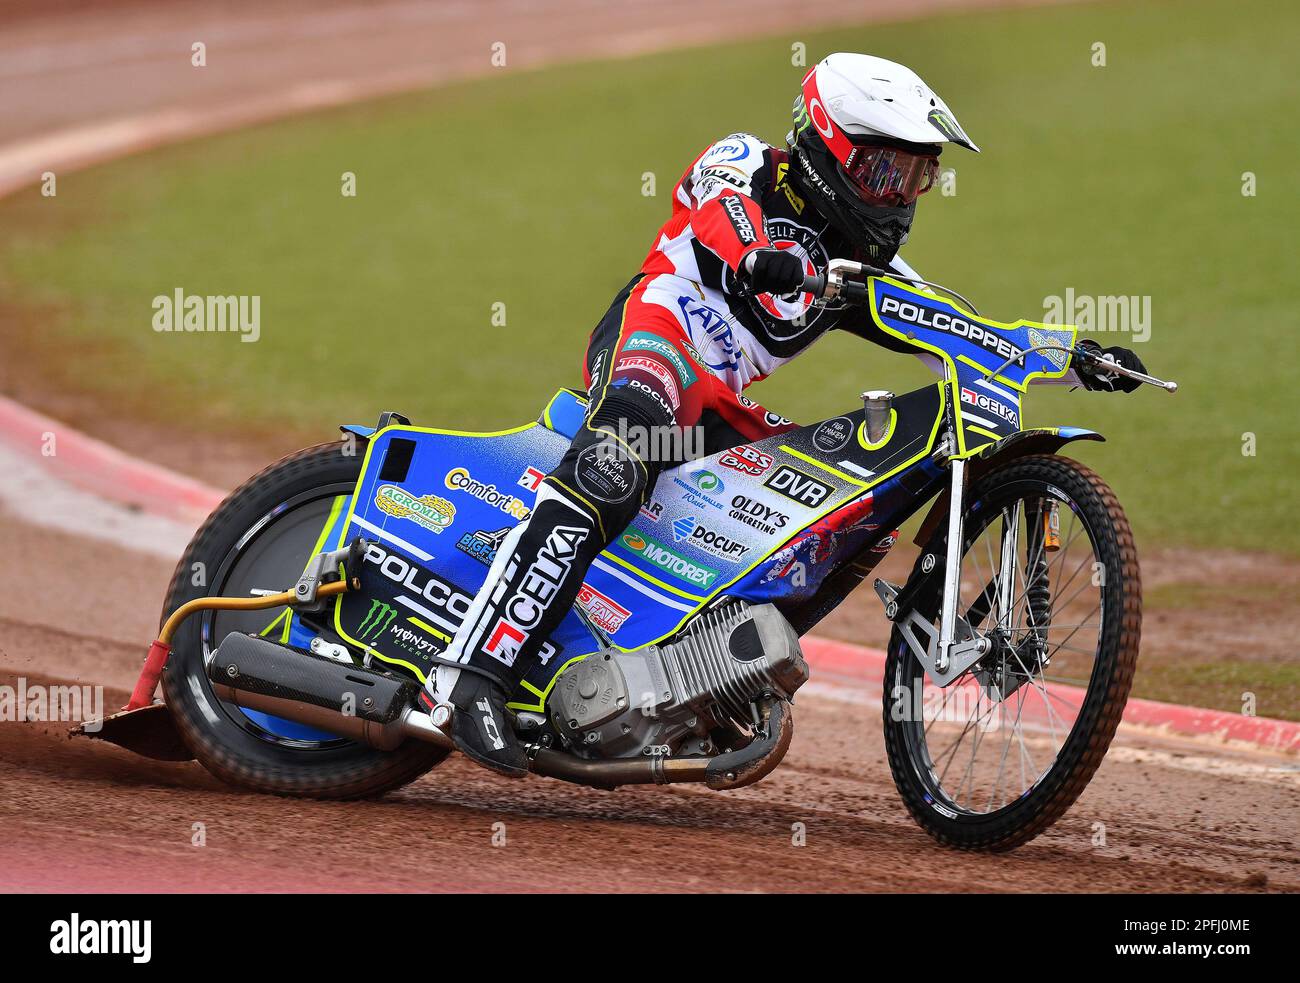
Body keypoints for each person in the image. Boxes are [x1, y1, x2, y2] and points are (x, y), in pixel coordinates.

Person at [418, 52, 1145, 776]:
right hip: (656, 339)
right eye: (887, 172)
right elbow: (722, 207)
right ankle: (472, 671)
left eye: (917, 176)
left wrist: (1071, 354)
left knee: (834, 514)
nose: (900, 196)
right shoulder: (747, 161)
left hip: (721, 402)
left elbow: (965, 328)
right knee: (614, 466)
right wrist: (763, 255)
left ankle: (697, 674)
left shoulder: (866, 271)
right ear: (830, 147)